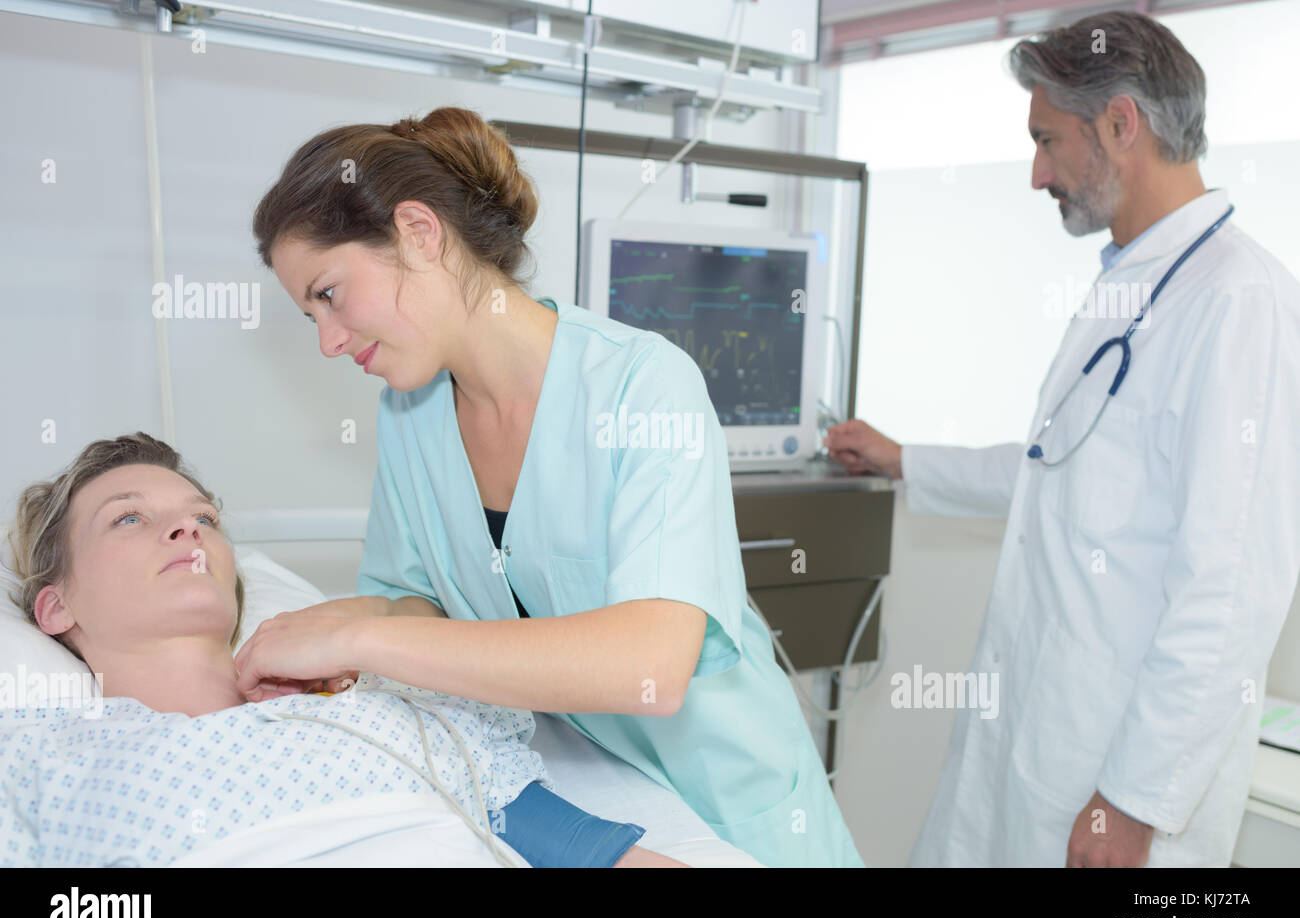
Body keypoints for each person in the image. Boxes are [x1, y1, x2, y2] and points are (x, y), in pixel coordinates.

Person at [236, 106, 863, 867]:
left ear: (419, 233)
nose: (330, 342)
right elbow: (414, 596)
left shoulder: (640, 385)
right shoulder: (411, 411)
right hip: (594, 790)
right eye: (310, 318)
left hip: (730, 805)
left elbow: (652, 665)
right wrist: (321, 631)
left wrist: (361, 637)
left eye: (329, 294)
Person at [827, 11, 1300, 867]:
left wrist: (1134, 800)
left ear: (1122, 124)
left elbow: (1231, 588)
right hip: (1043, 748)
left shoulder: (1239, 302)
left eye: (1047, 140)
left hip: (1118, 789)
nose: (1037, 173)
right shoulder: (1135, 285)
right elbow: (1061, 472)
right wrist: (905, 460)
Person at [4, 433, 684, 867]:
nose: (187, 526)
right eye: (129, 517)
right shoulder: (44, 760)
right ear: (55, 605)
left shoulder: (382, 713)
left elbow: (588, 852)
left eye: (205, 518)